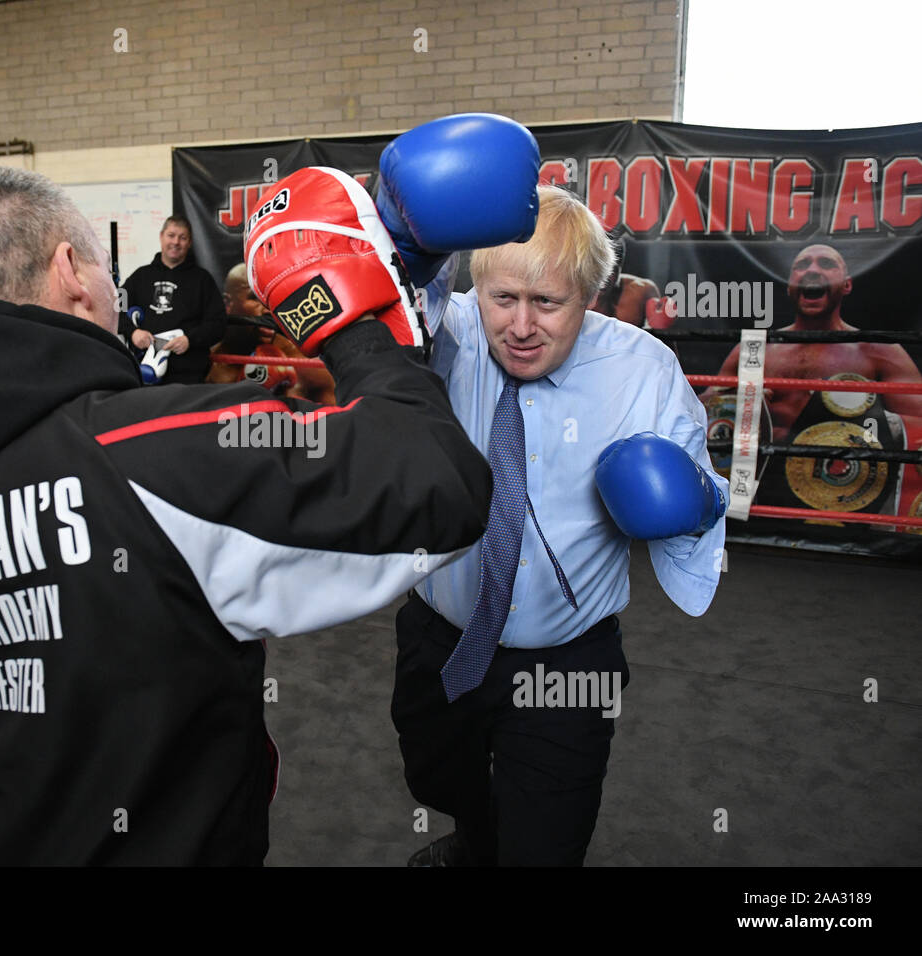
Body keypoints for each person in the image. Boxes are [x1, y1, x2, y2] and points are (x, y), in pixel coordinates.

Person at [0, 143, 537, 864]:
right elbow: (434, 480)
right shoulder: (166, 458)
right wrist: (351, 315)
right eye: (106, 271)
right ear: (71, 270)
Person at [393, 184, 728, 866]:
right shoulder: (443, 331)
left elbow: (707, 493)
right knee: (438, 779)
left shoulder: (642, 370)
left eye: (547, 303)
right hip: (440, 638)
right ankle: (474, 839)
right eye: (503, 299)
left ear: (590, 296)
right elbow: (375, 301)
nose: (520, 326)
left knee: (545, 840)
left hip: (567, 660)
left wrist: (692, 499)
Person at [710, 243, 922, 513]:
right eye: (802, 265)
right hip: (761, 495)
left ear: (846, 285)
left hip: (844, 492)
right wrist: (735, 401)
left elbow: (918, 424)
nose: (812, 270)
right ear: (789, 286)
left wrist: (864, 416)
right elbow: (705, 411)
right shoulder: (755, 348)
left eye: (826, 263)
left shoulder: (877, 350)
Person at [206, 263, 337, 404]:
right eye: (254, 298)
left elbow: (337, 416)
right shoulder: (210, 366)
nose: (267, 309)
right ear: (227, 304)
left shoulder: (303, 360)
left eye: (270, 297)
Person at [119, 216, 226, 384]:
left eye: (182, 238)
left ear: (189, 242)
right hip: (145, 373)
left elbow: (218, 324)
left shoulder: (202, 280)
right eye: (171, 235)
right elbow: (115, 308)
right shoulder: (140, 276)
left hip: (189, 376)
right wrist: (132, 332)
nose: (176, 242)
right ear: (161, 236)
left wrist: (190, 340)